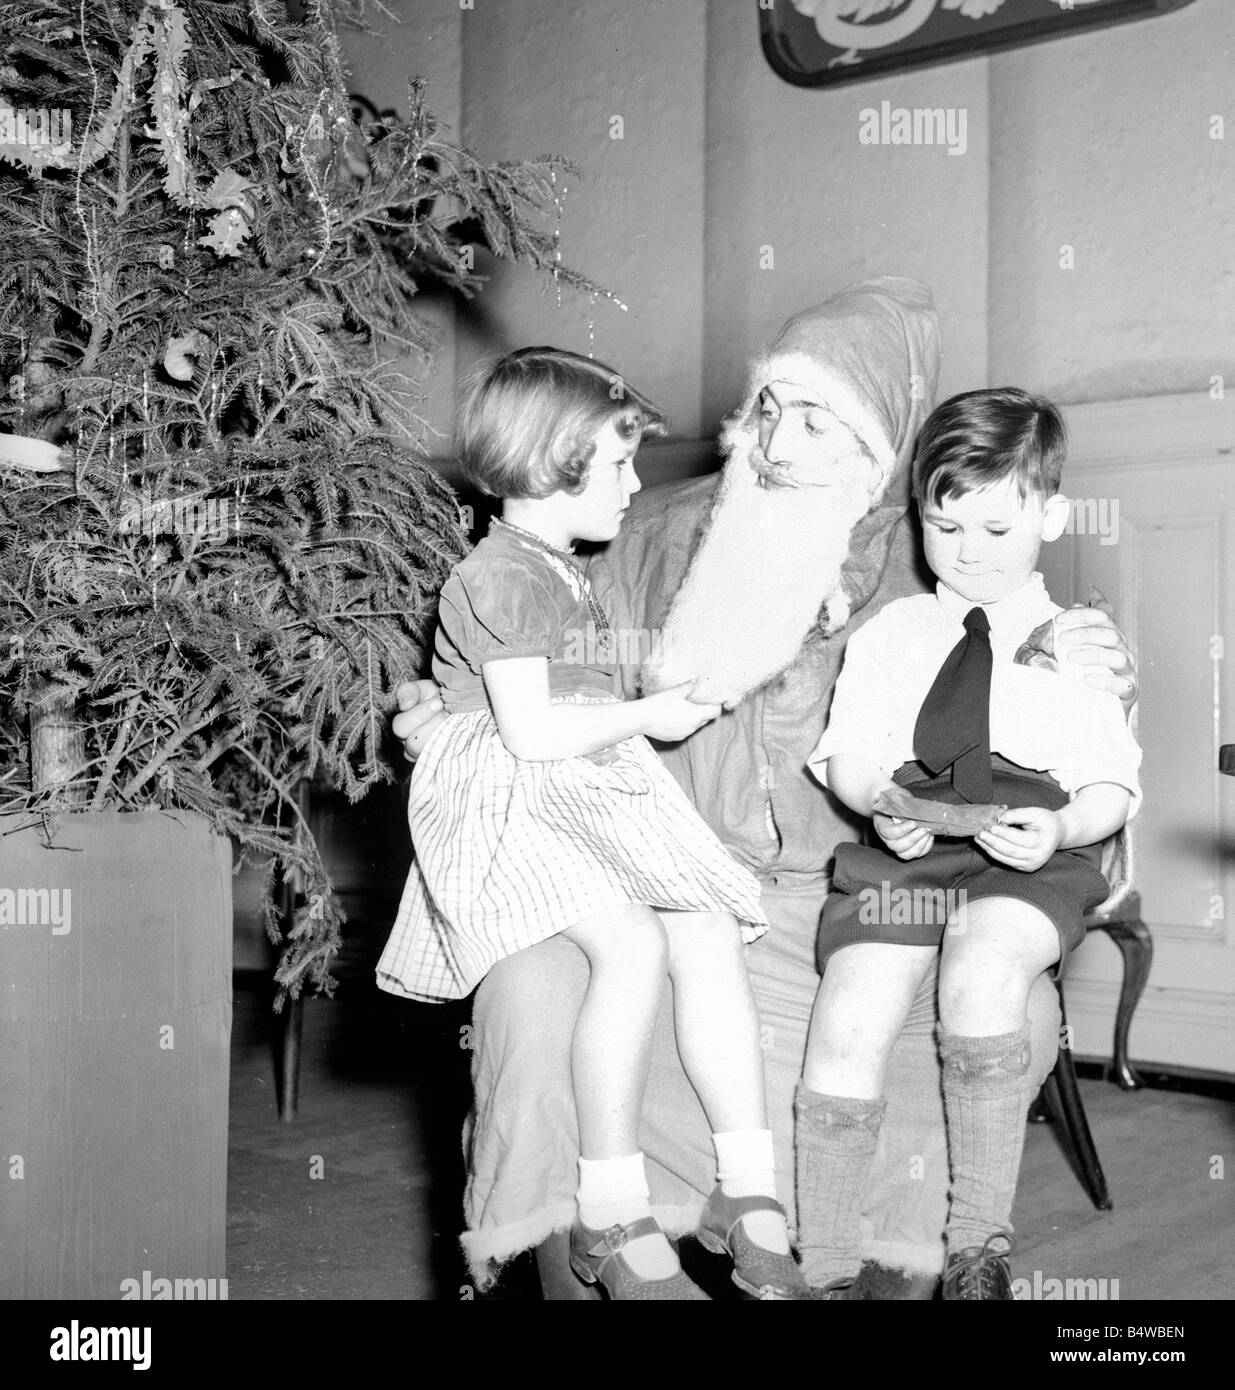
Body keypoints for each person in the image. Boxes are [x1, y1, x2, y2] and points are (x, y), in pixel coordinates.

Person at [391, 280, 1138, 1298]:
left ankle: (886, 1264)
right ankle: (576, 1258)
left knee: (966, 989)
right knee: (531, 996)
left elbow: (1055, 709)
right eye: (771, 410)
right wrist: (446, 707)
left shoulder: (933, 569)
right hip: (661, 870)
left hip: (845, 891)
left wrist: (1090, 672)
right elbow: (527, 666)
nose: (779, 443)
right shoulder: (646, 534)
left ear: (882, 442)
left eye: (819, 419)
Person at [378, 346, 809, 1300]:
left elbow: (574, 693)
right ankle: (612, 1209)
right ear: (549, 465)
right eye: (617, 463)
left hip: (574, 781)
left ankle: (748, 1188)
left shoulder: (558, 566)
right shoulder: (498, 574)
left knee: (702, 926)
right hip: (513, 797)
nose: (633, 481)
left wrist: (667, 694)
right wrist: (648, 719)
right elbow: (529, 733)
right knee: (626, 947)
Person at [796, 387, 1142, 1300]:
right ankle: (826, 1265)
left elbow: (1111, 782)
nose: (968, 553)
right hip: (910, 848)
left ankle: (977, 1245)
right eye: (945, 528)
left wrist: (1064, 826)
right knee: (850, 1007)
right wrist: (876, 800)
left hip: (1032, 860)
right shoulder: (889, 634)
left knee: (985, 967)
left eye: (995, 529)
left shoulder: (1077, 643)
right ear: (918, 516)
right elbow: (849, 754)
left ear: (1048, 514)